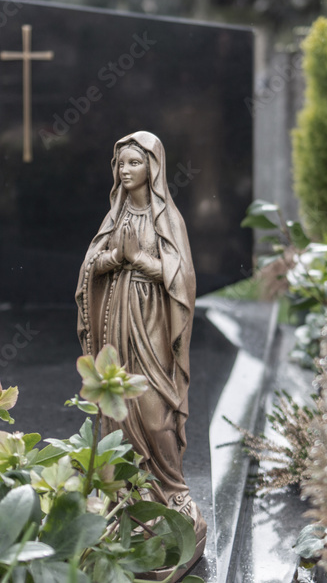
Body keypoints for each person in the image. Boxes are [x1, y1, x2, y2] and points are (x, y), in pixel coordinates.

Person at [75, 131, 205, 545]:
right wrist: (114, 259)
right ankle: (129, 493)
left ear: (153, 167)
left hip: (153, 321)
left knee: (153, 406)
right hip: (116, 317)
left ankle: (173, 489)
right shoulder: (114, 217)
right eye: (121, 164)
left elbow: (182, 276)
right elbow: (90, 268)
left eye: (135, 162)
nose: (126, 170)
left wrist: (144, 262)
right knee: (117, 405)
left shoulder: (166, 217)